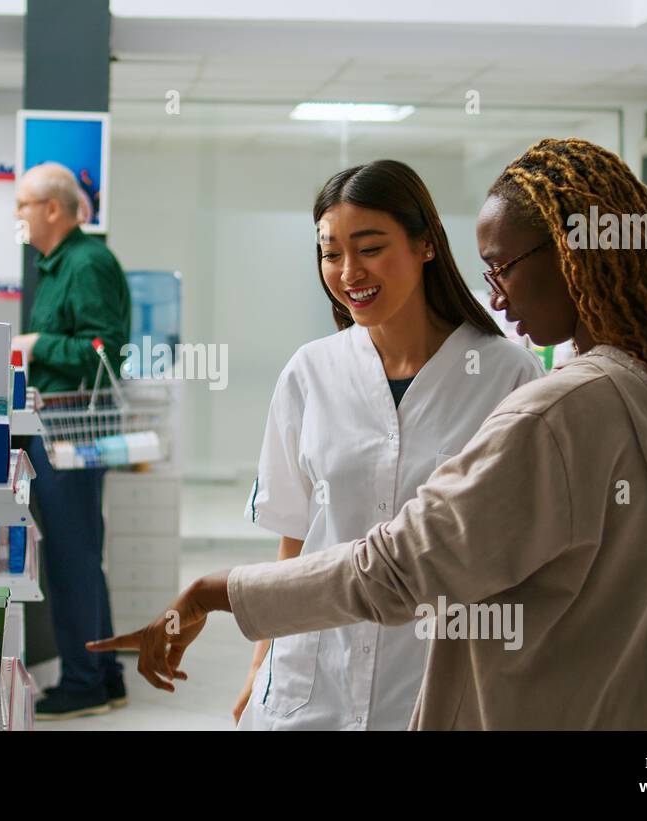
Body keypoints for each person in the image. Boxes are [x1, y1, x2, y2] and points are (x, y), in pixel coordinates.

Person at [92, 138, 647, 730]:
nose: (496, 295)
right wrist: (263, 654)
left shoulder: (550, 403)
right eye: (330, 252)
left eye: (502, 267)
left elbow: (402, 564)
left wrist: (217, 591)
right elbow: (307, 528)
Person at [233, 160, 543, 730]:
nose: (349, 271)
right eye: (330, 252)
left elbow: (517, 553)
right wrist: (261, 662)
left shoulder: (506, 376)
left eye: (370, 247)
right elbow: (296, 537)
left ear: (425, 244)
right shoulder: (310, 372)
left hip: (435, 675)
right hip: (311, 681)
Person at [12, 161, 132, 720]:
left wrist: (38, 346)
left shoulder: (87, 263)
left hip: (72, 431)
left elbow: (105, 349)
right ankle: (103, 674)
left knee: (70, 557)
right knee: (79, 555)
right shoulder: (57, 264)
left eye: (24, 205)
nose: (19, 215)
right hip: (55, 427)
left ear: (53, 209)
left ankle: (84, 680)